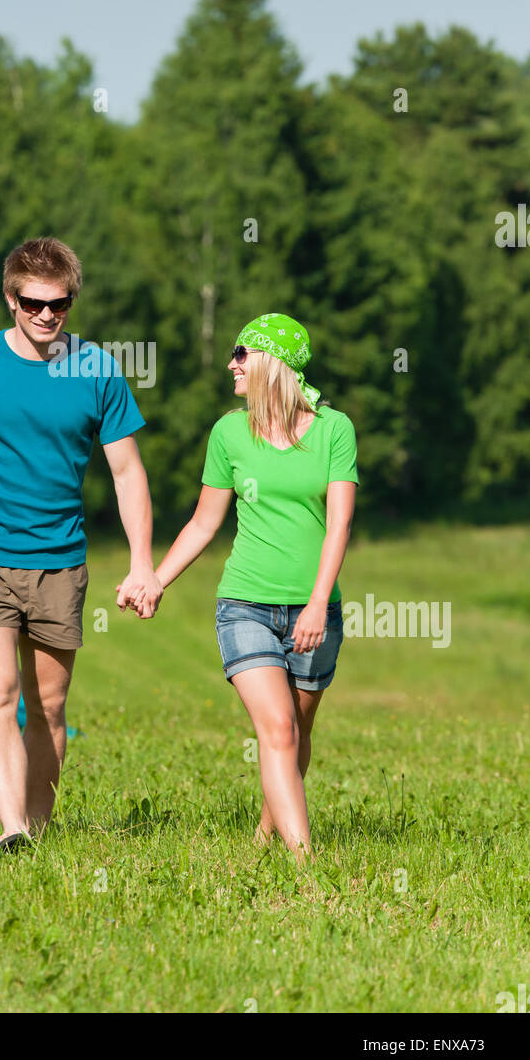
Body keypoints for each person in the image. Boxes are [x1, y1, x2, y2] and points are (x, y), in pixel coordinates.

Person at [0, 237, 162, 852]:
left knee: (48, 708)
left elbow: (127, 473)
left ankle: (38, 827)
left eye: (60, 304)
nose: (46, 315)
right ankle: (12, 830)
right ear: (10, 299)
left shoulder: (97, 369)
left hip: (59, 562)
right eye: (32, 303)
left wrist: (141, 563)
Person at [123, 313, 358, 863]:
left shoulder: (333, 429)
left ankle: (266, 832)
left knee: (295, 733)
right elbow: (204, 522)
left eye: (241, 353)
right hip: (245, 603)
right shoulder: (229, 431)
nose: (231, 364)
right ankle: (306, 869)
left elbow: (340, 524)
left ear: (272, 363)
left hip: (314, 608)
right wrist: (155, 579)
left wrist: (318, 604)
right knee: (275, 727)